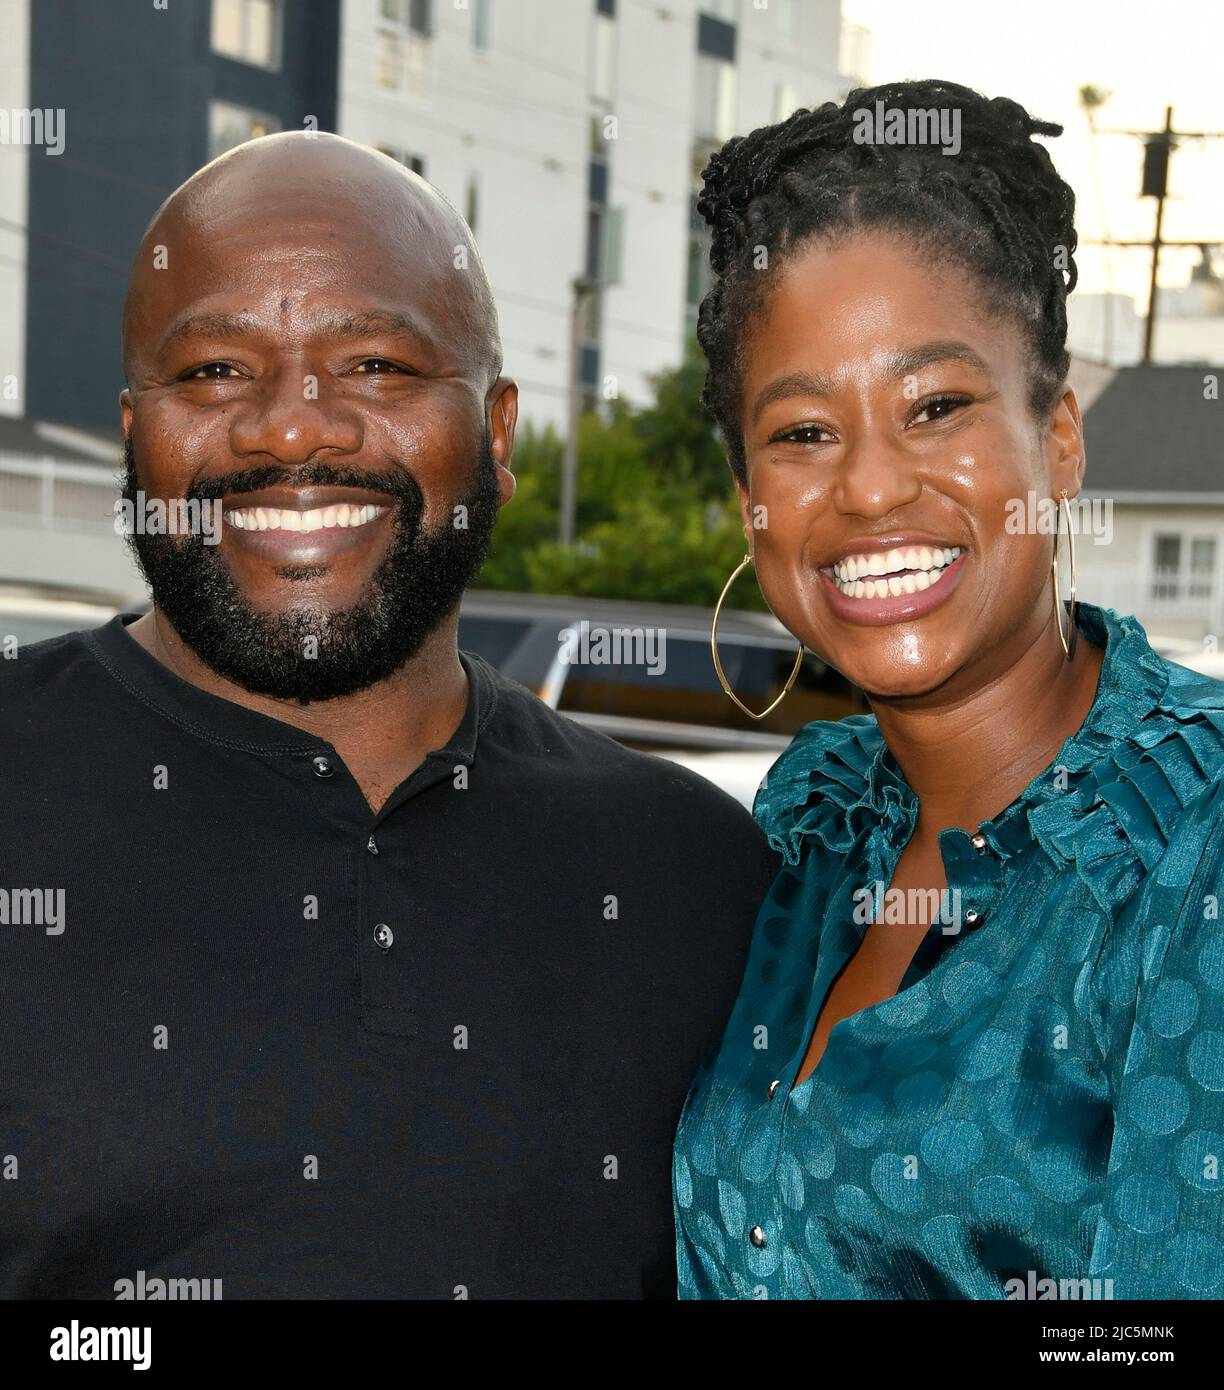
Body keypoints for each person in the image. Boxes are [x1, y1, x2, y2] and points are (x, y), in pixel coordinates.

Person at [0, 132, 776, 1299]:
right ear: (131, 430)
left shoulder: (699, 878)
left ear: (498, 435)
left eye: (374, 366)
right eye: (214, 371)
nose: (294, 428)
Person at [673, 80, 1224, 1300]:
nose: (869, 488)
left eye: (937, 406)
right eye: (803, 432)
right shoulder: (810, 831)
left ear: (1061, 439)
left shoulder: (1194, 841)